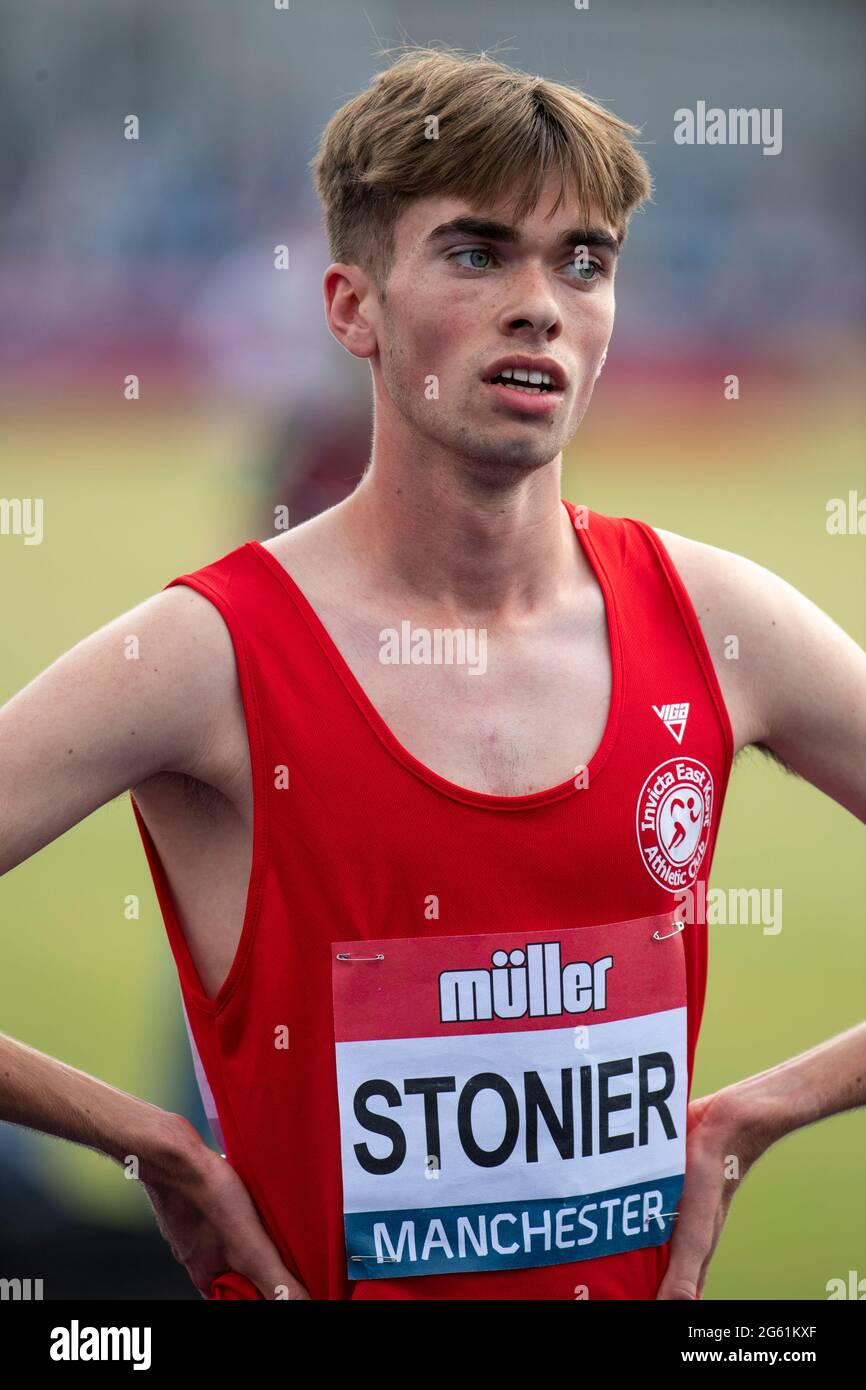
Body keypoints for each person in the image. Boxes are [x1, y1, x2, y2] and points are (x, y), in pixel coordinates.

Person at [1, 46, 864, 1303]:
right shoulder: (204, 655)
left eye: (583, 259)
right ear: (352, 306)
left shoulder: (721, 621)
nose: (540, 304)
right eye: (476, 253)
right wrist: (150, 1142)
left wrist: (759, 1113)